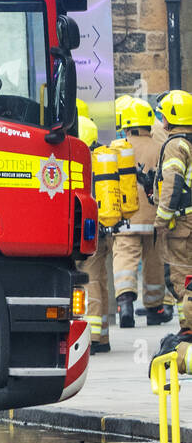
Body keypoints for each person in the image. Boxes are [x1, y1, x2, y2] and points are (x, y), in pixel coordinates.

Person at [112, 96, 172, 327]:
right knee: (154, 260)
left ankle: (125, 302)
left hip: (126, 217)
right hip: (154, 218)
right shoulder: (161, 147)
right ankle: (154, 307)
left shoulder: (118, 149)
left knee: (125, 257)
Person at [153, 91, 192, 355]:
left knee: (181, 277)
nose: (161, 119)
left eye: (163, 114)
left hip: (181, 223)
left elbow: (174, 182)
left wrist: (162, 217)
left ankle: (188, 329)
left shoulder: (174, 145)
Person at [78, 114, 113, 352]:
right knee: (100, 280)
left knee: (89, 281)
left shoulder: (84, 166)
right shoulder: (102, 162)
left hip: (90, 233)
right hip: (105, 231)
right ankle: (103, 336)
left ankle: (93, 336)